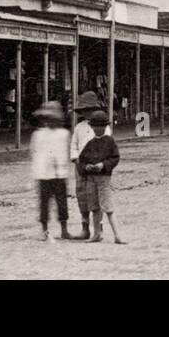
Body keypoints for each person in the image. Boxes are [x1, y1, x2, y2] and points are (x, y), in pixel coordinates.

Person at [77, 110, 123, 244]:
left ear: (105, 127)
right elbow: (81, 160)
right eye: (95, 126)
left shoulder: (109, 141)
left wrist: (103, 165)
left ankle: (117, 234)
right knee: (94, 207)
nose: (98, 129)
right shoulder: (90, 143)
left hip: (104, 179)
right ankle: (97, 233)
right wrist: (86, 167)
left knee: (108, 207)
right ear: (92, 127)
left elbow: (115, 158)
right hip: (91, 179)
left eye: (101, 126)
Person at [69, 90, 108, 239]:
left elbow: (107, 145)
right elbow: (74, 144)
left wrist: (100, 162)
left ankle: (99, 228)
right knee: (82, 195)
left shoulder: (103, 126)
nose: (87, 113)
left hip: (97, 167)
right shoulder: (79, 127)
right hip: (81, 166)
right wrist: (75, 158)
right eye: (84, 110)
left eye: (89, 110)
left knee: (97, 196)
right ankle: (85, 227)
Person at [30, 100, 72, 240]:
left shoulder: (64, 134)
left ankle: (64, 229)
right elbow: (34, 152)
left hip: (60, 172)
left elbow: (65, 152)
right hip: (43, 173)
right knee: (44, 203)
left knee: (62, 202)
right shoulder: (38, 134)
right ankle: (45, 230)